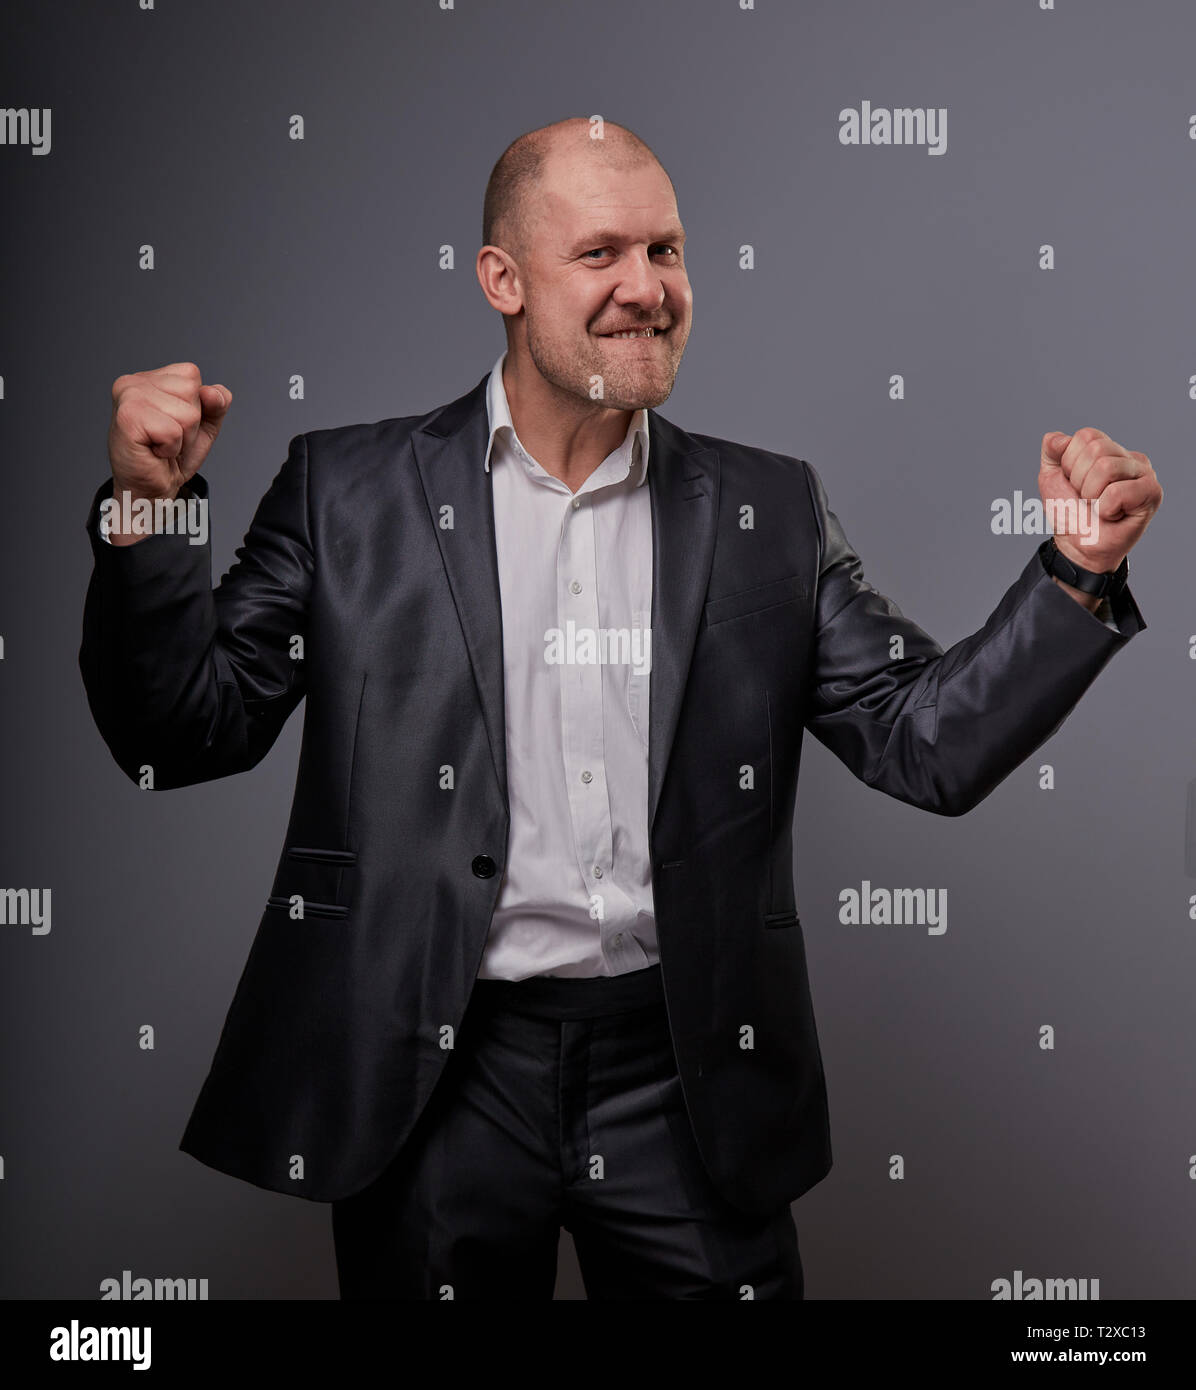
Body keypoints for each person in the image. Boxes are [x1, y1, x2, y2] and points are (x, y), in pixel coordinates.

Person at [80, 116, 1162, 1300]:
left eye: (666, 251)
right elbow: (181, 733)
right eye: (600, 254)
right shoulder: (345, 490)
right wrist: (148, 511)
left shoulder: (768, 510)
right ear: (502, 279)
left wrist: (1074, 573)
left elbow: (925, 742)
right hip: (436, 1073)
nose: (646, 289)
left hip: (684, 1072)